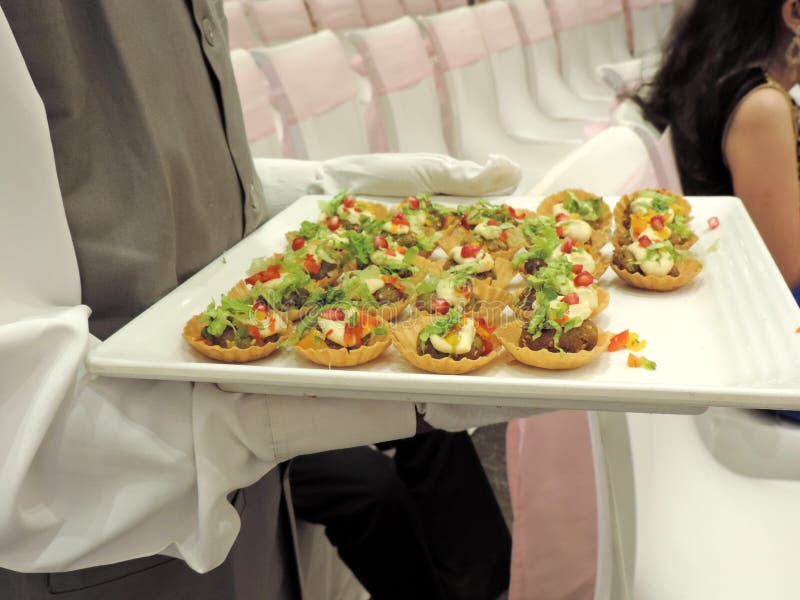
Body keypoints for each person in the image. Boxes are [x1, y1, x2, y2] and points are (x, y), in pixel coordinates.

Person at [0, 2, 513, 598]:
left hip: (244, 485)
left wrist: (319, 189)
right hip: (113, 524)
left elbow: (118, 185)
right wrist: (252, 421)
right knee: (375, 483)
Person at [637, 0, 800, 421]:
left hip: (746, 322)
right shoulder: (760, 105)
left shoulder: (717, 71)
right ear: (793, 12)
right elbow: (785, 272)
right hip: (775, 348)